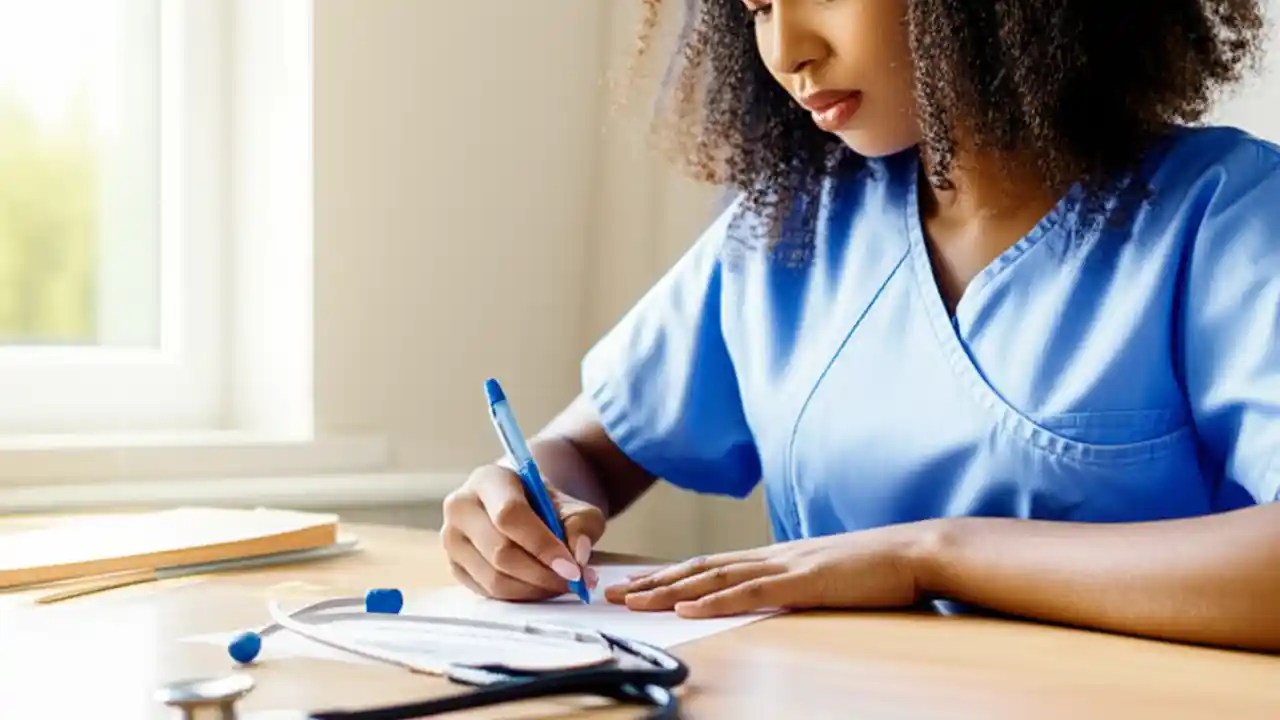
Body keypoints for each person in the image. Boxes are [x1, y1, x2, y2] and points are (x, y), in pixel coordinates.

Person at [441, 0, 1280, 653]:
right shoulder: (788, 229)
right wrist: (522, 504)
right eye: (758, 9)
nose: (787, 51)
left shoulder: (1227, 215)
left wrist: (931, 557)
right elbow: (586, 450)